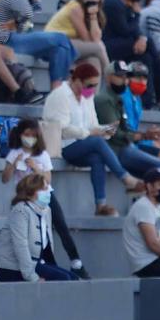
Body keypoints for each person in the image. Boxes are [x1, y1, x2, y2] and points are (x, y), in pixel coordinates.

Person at [40, 59, 125, 216]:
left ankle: (101, 205)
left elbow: (92, 125)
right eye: (89, 85)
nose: (92, 89)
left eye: (94, 85)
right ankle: (125, 178)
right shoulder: (60, 95)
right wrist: (90, 133)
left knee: (97, 158)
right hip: (62, 146)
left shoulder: (87, 96)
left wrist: (105, 129)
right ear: (76, 80)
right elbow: (62, 130)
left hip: (83, 145)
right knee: (97, 142)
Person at [0, 173, 73, 282]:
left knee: (73, 278)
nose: (48, 192)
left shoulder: (46, 210)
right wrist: (32, 277)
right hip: (11, 267)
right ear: (31, 192)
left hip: (36, 263)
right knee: (64, 279)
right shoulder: (20, 211)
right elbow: (20, 246)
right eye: (44, 189)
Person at [43, 0, 109, 79]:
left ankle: (90, 94)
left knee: (93, 60)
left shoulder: (91, 12)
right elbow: (90, 40)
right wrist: (93, 16)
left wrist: (93, 16)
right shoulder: (75, 8)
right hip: (53, 44)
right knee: (99, 46)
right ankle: (111, 77)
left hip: (67, 44)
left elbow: (95, 37)